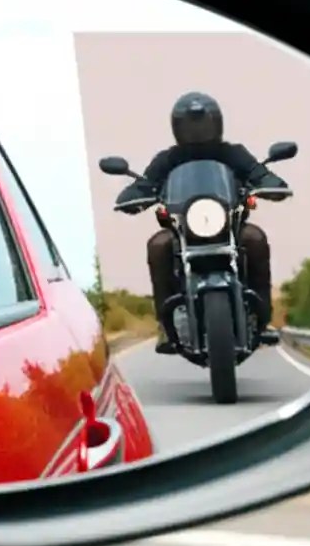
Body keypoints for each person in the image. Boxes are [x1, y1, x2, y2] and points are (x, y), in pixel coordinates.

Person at [114, 91, 289, 354]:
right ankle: (165, 324)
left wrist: (271, 186)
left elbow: (261, 174)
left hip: (231, 228)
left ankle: (263, 319)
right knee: (158, 245)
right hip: (182, 231)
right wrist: (133, 198)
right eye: (189, 125)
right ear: (177, 128)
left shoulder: (233, 154)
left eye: (201, 123)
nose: (196, 131)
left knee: (255, 240)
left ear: (216, 124)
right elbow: (143, 185)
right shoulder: (168, 159)